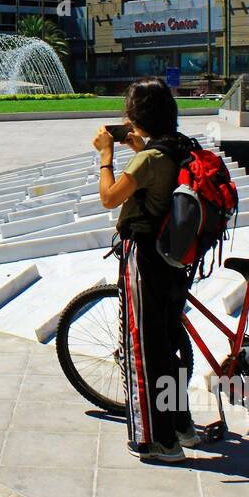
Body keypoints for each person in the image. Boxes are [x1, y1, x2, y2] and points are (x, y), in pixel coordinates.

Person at [93, 77, 198, 463]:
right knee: (167, 342)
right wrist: (140, 147)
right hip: (175, 259)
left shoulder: (148, 159)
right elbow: (157, 174)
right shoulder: (177, 146)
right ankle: (182, 425)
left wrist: (106, 155)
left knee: (144, 348)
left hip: (146, 257)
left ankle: (159, 441)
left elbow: (109, 197)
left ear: (135, 117)